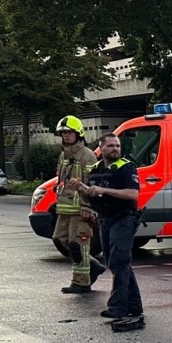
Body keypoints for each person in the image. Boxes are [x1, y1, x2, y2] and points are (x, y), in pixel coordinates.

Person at [78, 133, 143, 329]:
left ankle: (117, 307)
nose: (115, 149)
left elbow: (132, 193)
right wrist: (82, 189)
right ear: (102, 148)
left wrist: (104, 190)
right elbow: (92, 196)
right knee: (117, 263)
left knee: (119, 262)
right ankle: (134, 306)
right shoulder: (96, 169)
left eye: (118, 146)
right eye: (111, 146)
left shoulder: (126, 167)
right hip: (105, 219)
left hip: (124, 218)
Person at [51, 116, 104, 294]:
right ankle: (93, 266)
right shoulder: (64, 155)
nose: (66, 136)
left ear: (78, 133)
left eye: (69, 132)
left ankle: (81, 282)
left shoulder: (87, 155)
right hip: (65, 207)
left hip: (81, 209)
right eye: (63, 133)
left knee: (77, 245)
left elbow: (92, 183)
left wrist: (88, 207)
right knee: (59, 239)